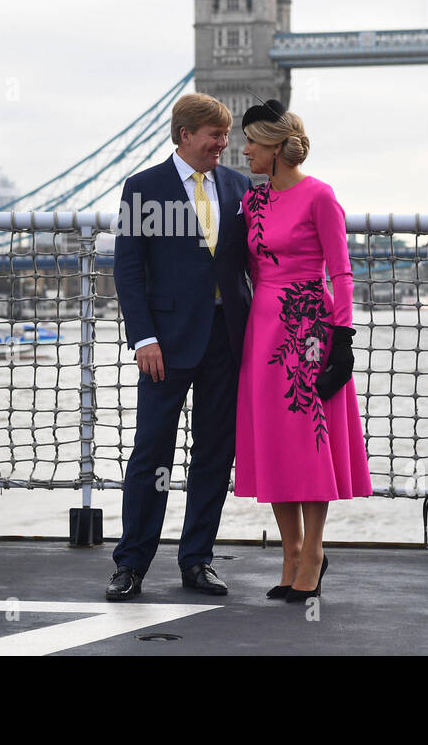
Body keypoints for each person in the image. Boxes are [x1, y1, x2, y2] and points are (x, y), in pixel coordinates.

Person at [106, 93, 253, 600]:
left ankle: (197, 560)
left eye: (226, 135)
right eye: (214, 135)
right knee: (151, 453)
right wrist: (143, 337)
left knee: (215, 452)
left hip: (227, 342)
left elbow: (254, 264)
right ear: (185, 134)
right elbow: (128, 269)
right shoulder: (142, 188)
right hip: (163, 344)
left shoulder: (239, 186)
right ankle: (131, 564)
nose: (223, 143)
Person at [235, 98, 372, 602]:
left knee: (310, 440)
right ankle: (289, 550)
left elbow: (341, 271)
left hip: (311, 327)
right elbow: (247, 269)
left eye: (251, 141)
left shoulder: (320, 196)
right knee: (273, 438)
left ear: (273, 147)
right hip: (263, 328)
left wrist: (342, 339)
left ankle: (313, 550)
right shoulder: (252, 201)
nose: (243, 149)